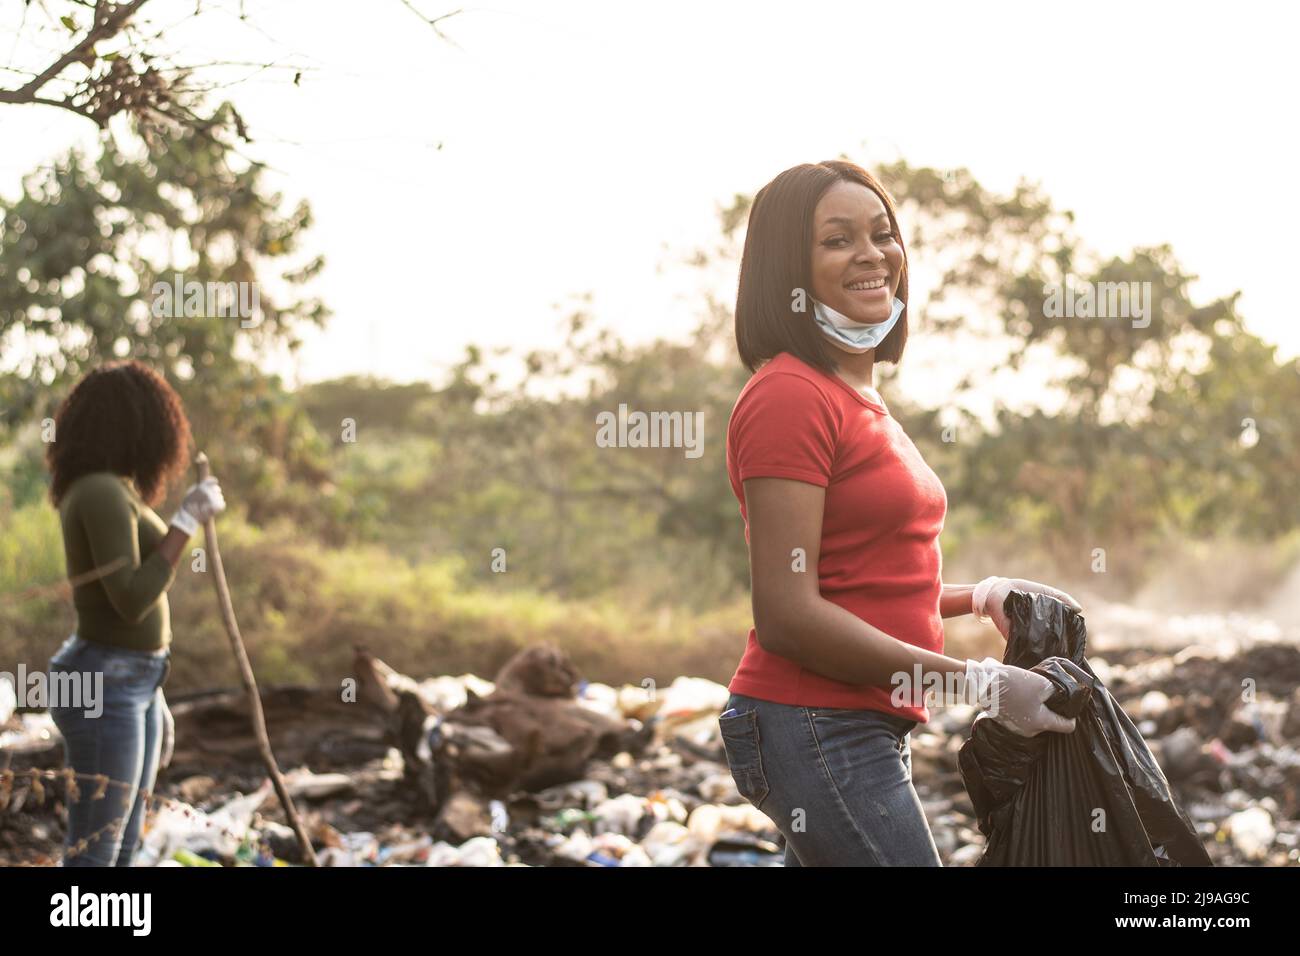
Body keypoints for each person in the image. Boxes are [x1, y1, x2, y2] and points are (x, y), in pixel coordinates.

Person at [720, 160, 1081, 867]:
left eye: (883, 233)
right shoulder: (790, 396)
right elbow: (788, 614)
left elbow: (860, 582)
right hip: (814, 724)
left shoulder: (858, 398)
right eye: (836, 240)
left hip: (854, 725)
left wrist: (976, 598)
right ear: (786, 267)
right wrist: (976, 683)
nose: (871, 254)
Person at [44, 360, 226, 866]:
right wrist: (185, 523)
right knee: (96, 849)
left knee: (123, 845)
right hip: (104, 678)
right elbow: (130, 597)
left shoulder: (117, 489)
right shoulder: (100, 491)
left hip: (131, 679)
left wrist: (153, 693)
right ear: (134, 425)